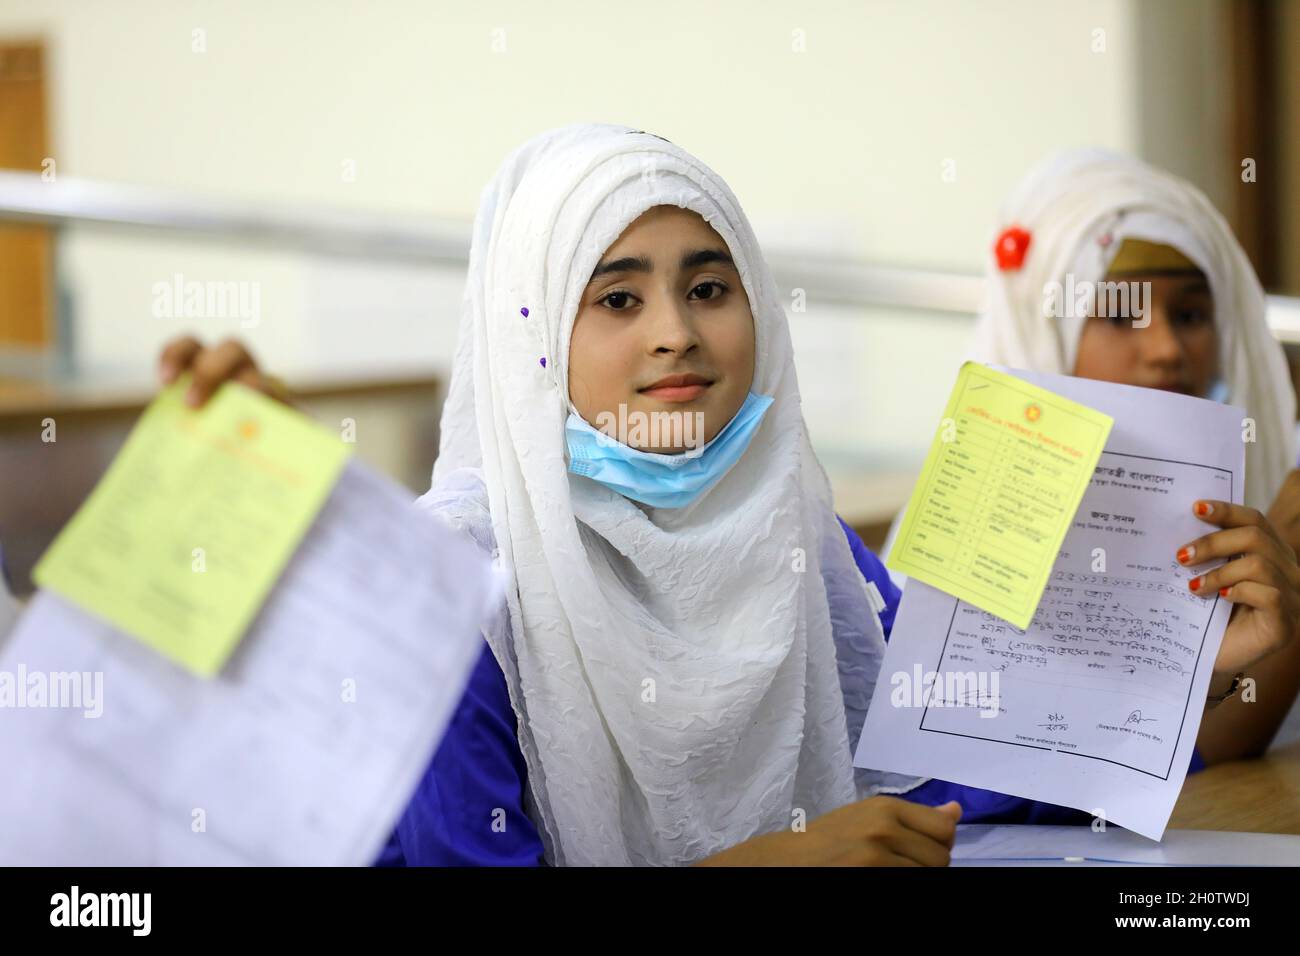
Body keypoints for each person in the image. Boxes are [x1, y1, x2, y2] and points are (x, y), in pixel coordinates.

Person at [156, 128, 1299, 864]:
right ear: (529, 340)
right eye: (614, 298)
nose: (676, 333)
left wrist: (1236, 667)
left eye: (711, 285)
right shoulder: (458, 588)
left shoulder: (810, 555)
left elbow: (1007, 773)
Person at [963, 149, 1300, 756]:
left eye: (1192, 314)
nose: (1168, 349)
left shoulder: (1269, 489)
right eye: (1120, 315)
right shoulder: (977, 525)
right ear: (1046, 329)